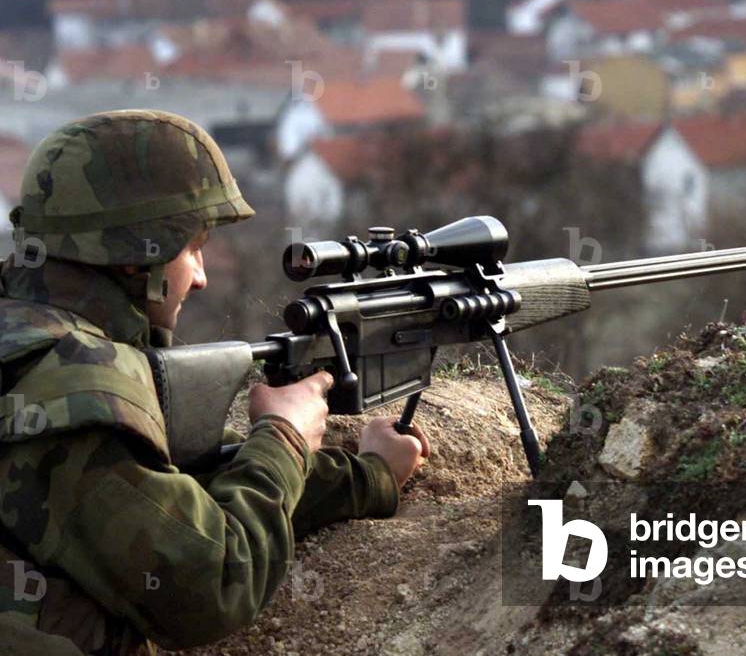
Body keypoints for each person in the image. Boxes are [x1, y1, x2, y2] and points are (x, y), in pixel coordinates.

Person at [0, 109, 430, 655]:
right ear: (141, 258)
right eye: (193, 248)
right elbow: (212, 583)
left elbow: (167, 494)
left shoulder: (22, 334)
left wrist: (366, 478)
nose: (201, 276)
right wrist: (284, 436)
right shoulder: (69, 394)